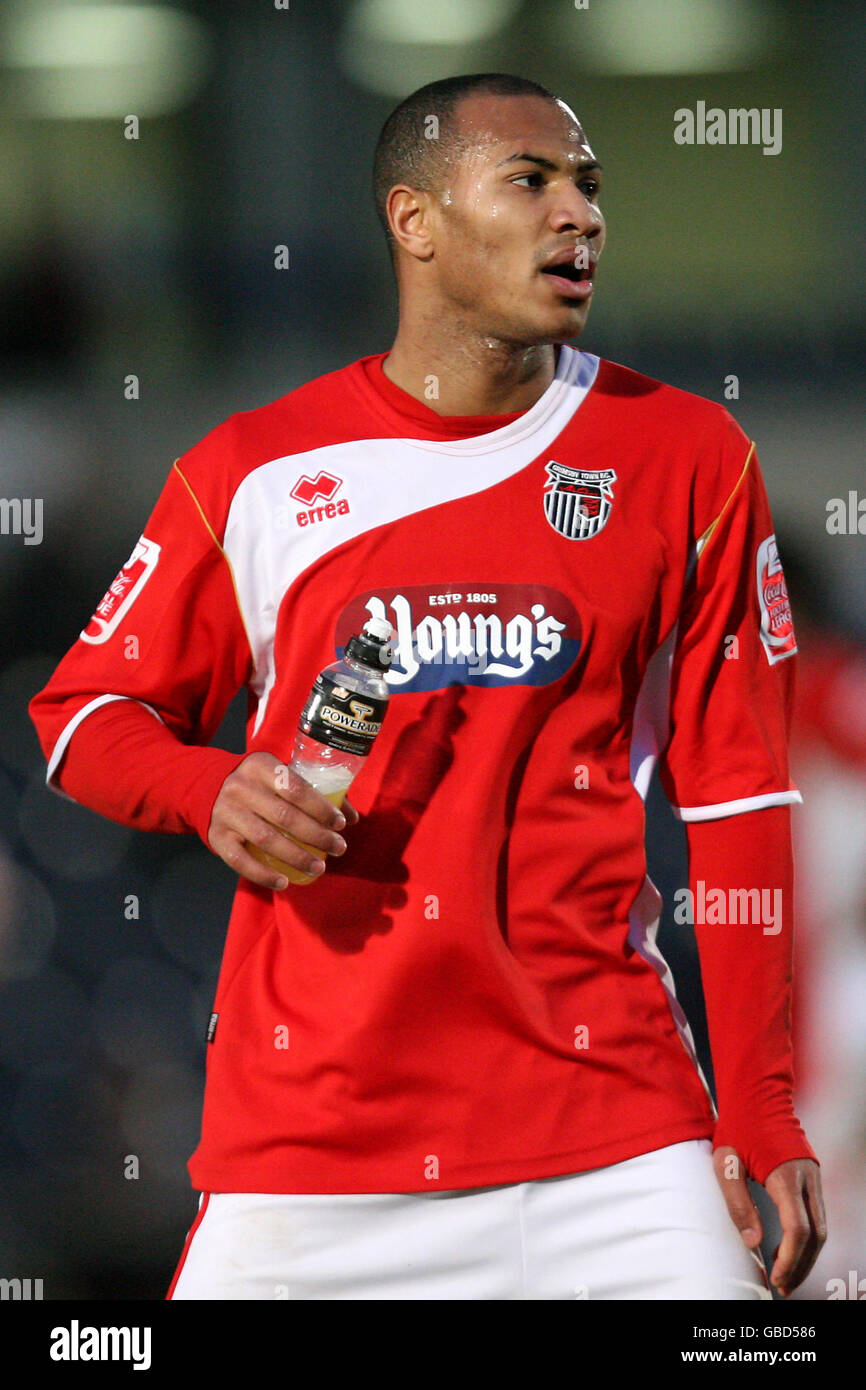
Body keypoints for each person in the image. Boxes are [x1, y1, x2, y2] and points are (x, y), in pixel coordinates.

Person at [29, 73, 826, 1300]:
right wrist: (212, 789)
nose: (580, 215)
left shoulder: (685, 458)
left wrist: (764, 1111)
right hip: (314, 1153)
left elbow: (739, 807)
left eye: (590, 187)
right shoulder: (251, 470)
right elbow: (81, 717)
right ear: (414, 220)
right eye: (532, 181)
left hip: (611, 1141)